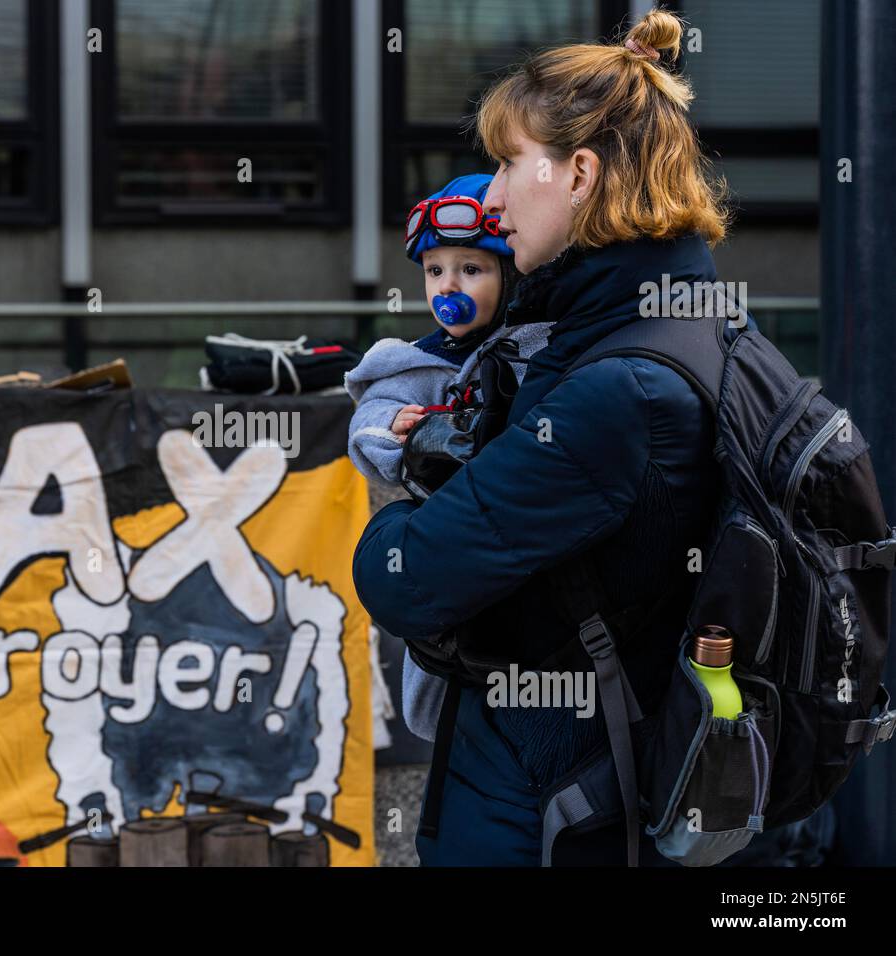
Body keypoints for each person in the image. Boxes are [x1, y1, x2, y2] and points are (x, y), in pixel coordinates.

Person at [352, 8, 827, 866]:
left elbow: (404, 581)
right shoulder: (704, 324)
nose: (491, 198)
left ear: (579, 173)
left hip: (549, 810)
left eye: (507, 164)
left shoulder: (617, 387)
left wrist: (409, 493)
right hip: (608, 785)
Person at [344, 173, 551, 486]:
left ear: (516, 277)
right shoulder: (422, 361)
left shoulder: (548, 345)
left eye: (470, 269)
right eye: (434, 270)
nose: (447, 286)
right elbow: (372, 411)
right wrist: (391, 424)